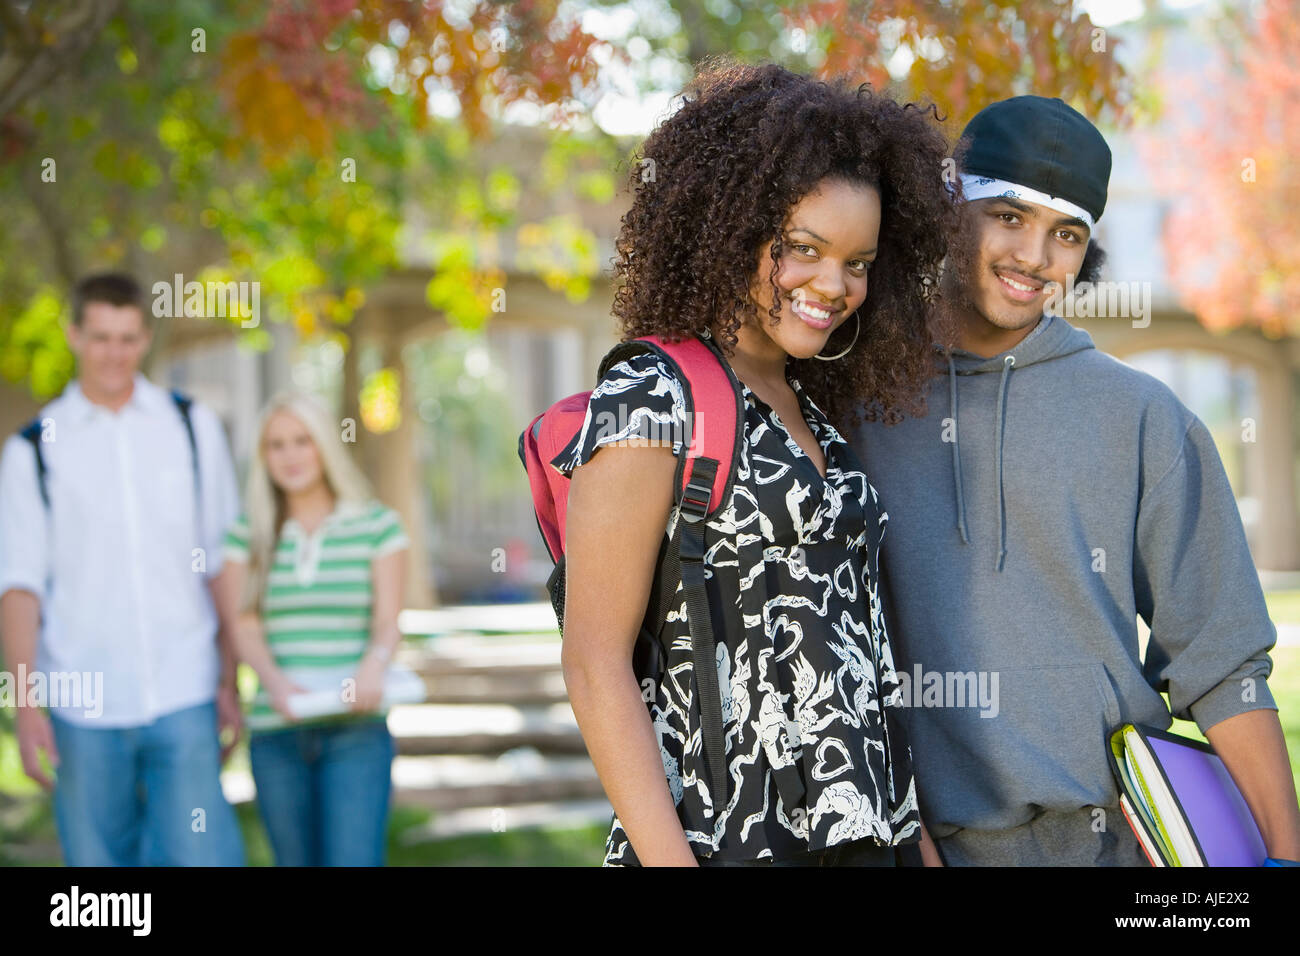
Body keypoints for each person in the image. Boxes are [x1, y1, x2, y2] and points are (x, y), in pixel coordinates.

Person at [855, 95, 1300, 866]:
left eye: (1067, 234)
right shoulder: (856, 400)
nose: (1035, 256)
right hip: (912, 847)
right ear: (952, 209)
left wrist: (1287, 859)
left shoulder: (1143, 417)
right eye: (1009, 216)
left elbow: (1226, 667)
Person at [556, 61, 957, 866]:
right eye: (803, 248)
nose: (833, 285)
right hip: (723, 843)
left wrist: (917, 849)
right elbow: (595, 664)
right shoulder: (652, 400)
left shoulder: (817, 408)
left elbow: (861, 660)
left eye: (859, 262)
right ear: (734, 230)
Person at [0, 272, 245, 866]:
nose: (115, 353)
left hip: (185, 686)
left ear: (146, 338)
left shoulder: (192, 427)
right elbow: (19, 588)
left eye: (129, 338)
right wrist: (26, 711)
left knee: (204, 858)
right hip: (82, 701)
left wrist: (229, 677)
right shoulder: (34, 449)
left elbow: (221, 563)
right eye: (102, 337)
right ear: (74, 335)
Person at [215, 390, 408, 866]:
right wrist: (275, 684)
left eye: (302, 440)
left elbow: (388, 624)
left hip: (356, 731)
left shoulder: (376, 525)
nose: (290, 456)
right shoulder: (248, 532)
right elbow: (244, 621)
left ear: (325, 445)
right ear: (263, 457)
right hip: (276, 731)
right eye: (276, 445)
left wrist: (373, 666)